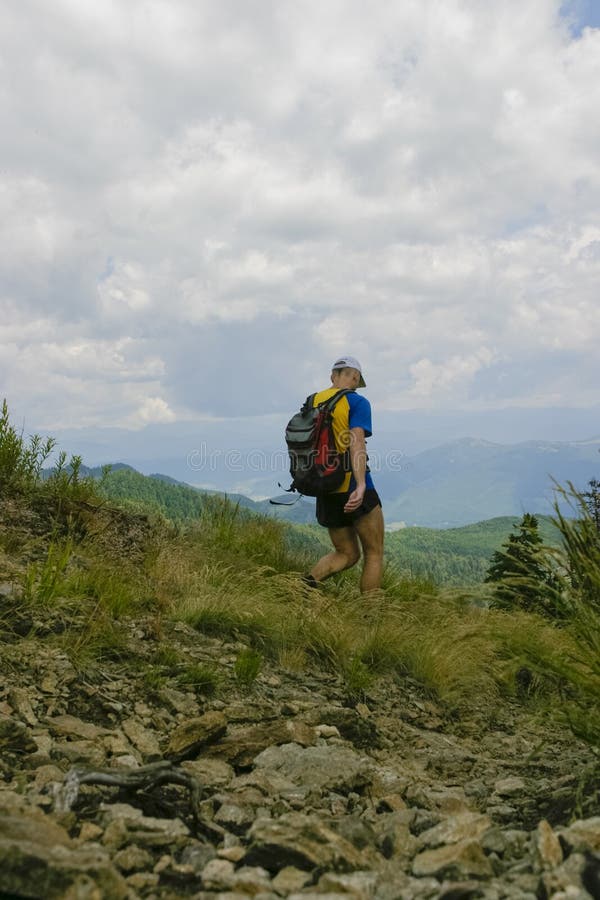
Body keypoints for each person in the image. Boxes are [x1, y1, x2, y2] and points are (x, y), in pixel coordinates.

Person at [306, 356, 384, 593]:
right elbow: (356, 442)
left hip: (325, 486)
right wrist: (360, 486)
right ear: (356, 378)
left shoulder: (312, 401)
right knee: (374, 553)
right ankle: (371, 612)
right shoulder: (357, 402)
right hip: (352, 485)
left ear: (333, 376)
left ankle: (303, 588)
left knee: (346, 553)